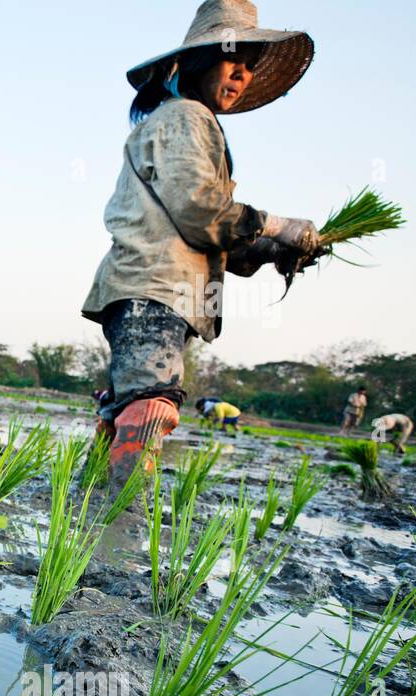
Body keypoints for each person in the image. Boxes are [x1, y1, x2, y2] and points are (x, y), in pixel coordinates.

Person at [82, 0, 319, 488]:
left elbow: (210, 238)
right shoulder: (188, 117)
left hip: (154, 291)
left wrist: (274, 250)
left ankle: (88, 513)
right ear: (197, 60)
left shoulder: (185, 121)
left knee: (130, 408)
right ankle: (117, 528)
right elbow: (200, 213)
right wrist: (277, 225)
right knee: (148, 410)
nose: (242, 74)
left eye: (250, 66)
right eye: (233, 59)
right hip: (154, 293)